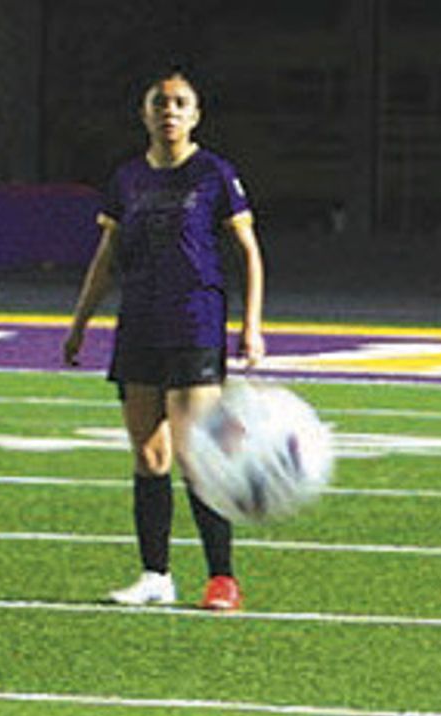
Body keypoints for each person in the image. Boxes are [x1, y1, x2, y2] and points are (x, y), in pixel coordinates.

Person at [63, 66, 266, 612]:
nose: (169, 111)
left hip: (196, 324)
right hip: (140, 325)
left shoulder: (214, 174)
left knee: (196, 452)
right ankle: (156, 575)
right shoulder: (128, 178)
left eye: (180, 103)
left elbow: (248, 250)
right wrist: (80, 324)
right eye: (160, 103)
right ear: (145, 114)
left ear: (195, 115)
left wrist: (251, 324)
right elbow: (106, 259)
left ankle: (222, 578)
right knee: (149, 455)